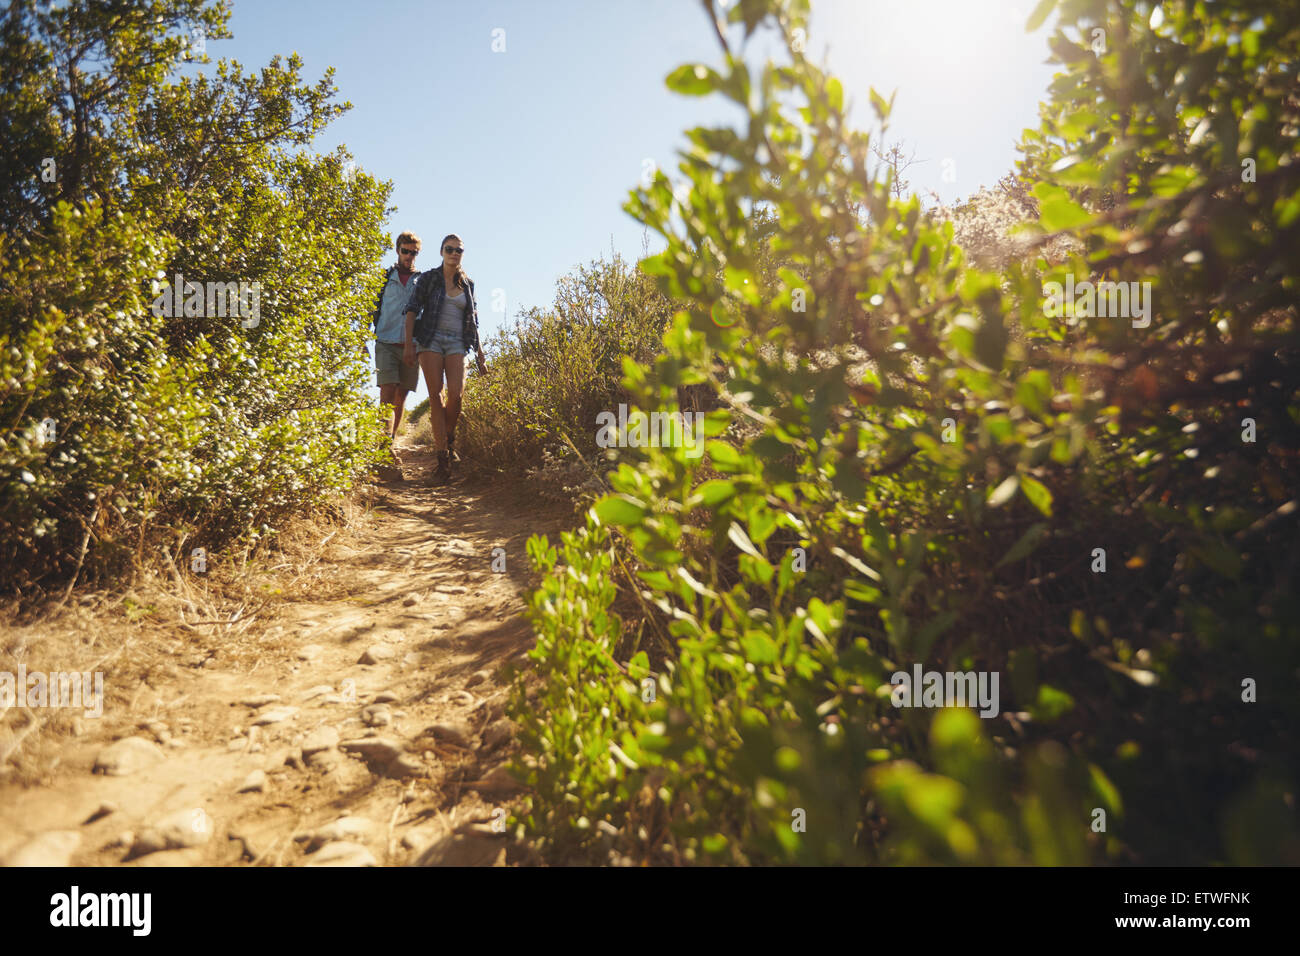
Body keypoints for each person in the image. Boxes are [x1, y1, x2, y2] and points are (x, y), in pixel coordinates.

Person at [402, 233, 488, 485]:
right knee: (435, 396)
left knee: (456, 396)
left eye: (458, 250)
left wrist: (480, 353)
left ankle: (448, 440)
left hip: (458, 343)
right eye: (449, 249)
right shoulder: (429, 279)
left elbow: (473, 320)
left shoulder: (467, 284)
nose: (454, 253)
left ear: (462, 254)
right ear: (441, 252)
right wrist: (409, 344)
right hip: (430, 341)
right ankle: (443, 460)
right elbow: (411, 310)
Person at [368, 231, 422, 478]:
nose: (409, 256)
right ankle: (383, 448)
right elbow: (370, 307)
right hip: (386, 341)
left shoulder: (422, 281)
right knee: (387, 392)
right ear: (397, 250)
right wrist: (362, 338)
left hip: (412, 345)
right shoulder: (383, 277)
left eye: (414, 252)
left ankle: (389, 441)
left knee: (401, 396)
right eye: (405, 251)